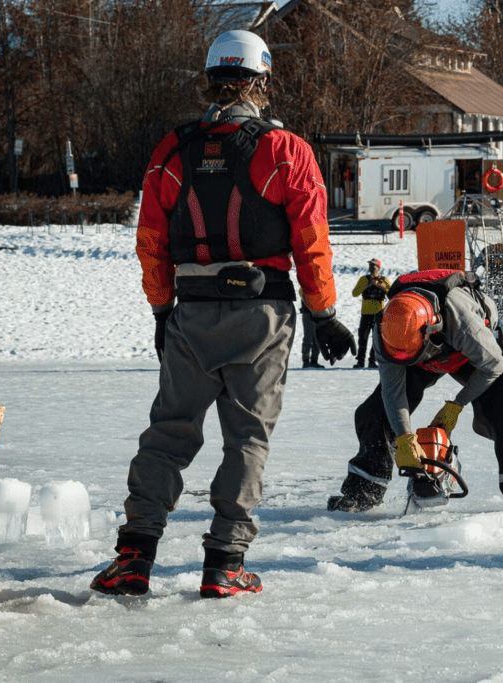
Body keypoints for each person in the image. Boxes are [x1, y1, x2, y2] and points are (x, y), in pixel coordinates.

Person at [91, 30, 355, 599]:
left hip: (192, 312)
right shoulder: (286, 150)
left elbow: (151, 239)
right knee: (247, 438)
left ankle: (134, 557)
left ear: (211, 78)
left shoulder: (173, 150)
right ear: (261, 81)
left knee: (168, 434)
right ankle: (225, 564)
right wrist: (324, 312)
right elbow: (311, 240)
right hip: (262, 314)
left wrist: (163, 311)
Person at [327, 269, 503, 514]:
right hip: (420, 352)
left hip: (475, 354)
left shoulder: (464, 325)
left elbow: (493, 366)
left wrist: (456, 405)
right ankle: (363, 492)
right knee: (373, 414)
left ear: (431, 329)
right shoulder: (386, 331)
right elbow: (392, 393)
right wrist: (404, 436)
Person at [351, 258, 391, 368]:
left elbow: (392, 294)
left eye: (373, 266)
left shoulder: (384, 280)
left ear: (378, 268)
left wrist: (381, 287)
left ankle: (372, 361)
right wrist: (366, 286)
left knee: (376, 340)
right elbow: (354, 293)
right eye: (370, 266)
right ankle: (360, 361)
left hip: (378, 314)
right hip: (366, 313)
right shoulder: (364, 279)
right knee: (362, 337)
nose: (371, 268)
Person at [298, 289, 324, 369]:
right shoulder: (305, 287)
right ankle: (306, 361)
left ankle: (314, 361)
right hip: (308, 313)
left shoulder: (319, 286)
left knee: (317, 337)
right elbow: (301, 293)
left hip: (318, 312)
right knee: (308, 337)